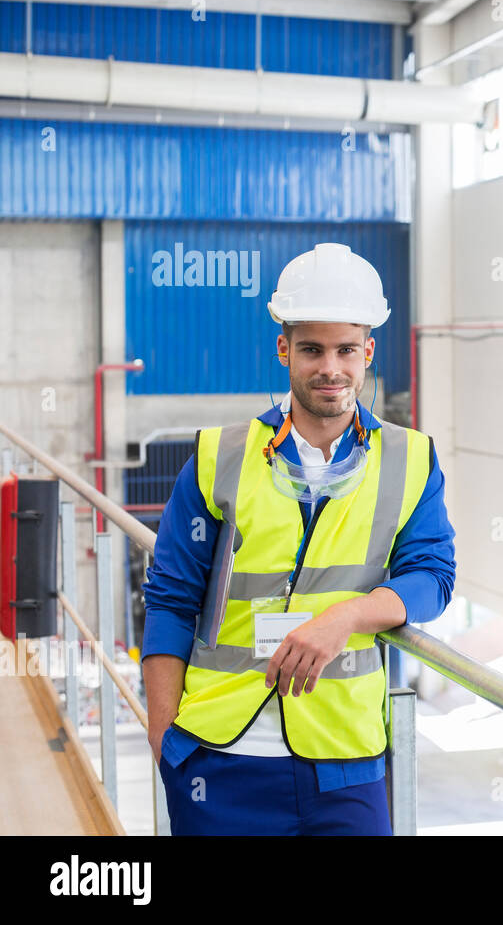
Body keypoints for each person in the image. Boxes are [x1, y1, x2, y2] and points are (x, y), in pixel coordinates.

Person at [140, 242, 456, 835]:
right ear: (284, 348)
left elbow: (433, 578)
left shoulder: (411, 459)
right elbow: (170, 601)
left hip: (344, 763)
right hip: (218, 761)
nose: (329, 368)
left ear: (367, 351)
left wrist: (349, 618)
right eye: (311, 349)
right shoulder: (217, 458)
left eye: (344, 349)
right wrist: (164, 739)